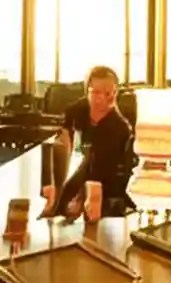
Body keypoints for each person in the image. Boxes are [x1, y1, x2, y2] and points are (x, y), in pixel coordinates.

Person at [45, 65, 134, 216]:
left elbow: (103, 171)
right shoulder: (75, 111)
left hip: (104, 191)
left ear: (116, 93)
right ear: (87, 91)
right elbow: (61, 147)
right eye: (96, 92)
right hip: (70, 178)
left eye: (108, 93)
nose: (102, 98)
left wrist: (81, 198)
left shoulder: (120, 128)